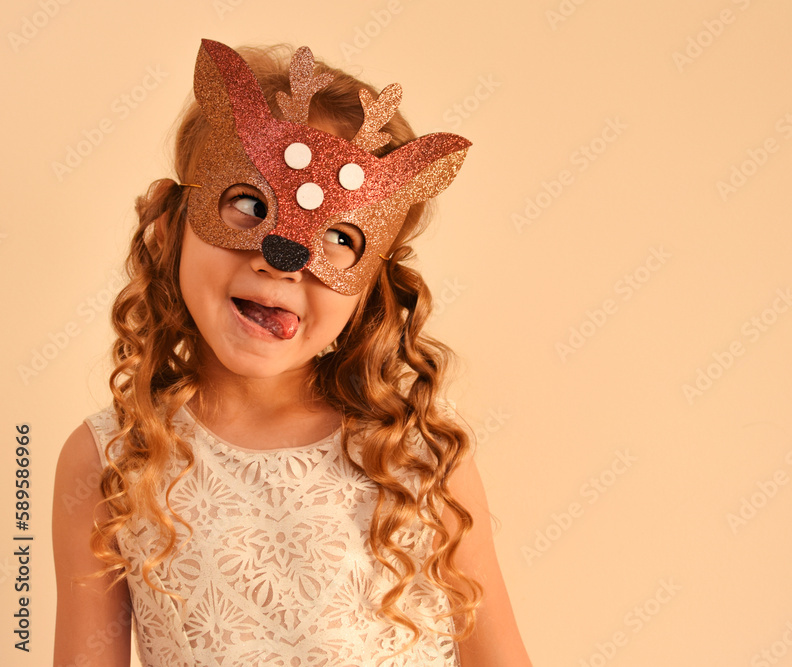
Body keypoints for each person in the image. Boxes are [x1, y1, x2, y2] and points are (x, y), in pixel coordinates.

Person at [52, 38, 532, 667]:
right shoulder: (113, 460)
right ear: (171, 227)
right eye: (249, 204)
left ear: (369, 291)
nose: (284, 259)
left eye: (338, 236)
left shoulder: (419, 459)